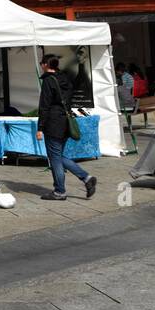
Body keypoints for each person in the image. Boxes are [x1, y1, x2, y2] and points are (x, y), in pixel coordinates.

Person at [37, 54, 96, 201]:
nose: (40, 66)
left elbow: (44, 106)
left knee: (55, 158)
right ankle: (86, 178)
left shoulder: (48, 81)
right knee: (58, 156)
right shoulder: (65, 79)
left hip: (53, 122)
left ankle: (60, 191)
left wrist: (40, 127)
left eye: (41, 63)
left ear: (45, 65)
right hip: (65, 122)